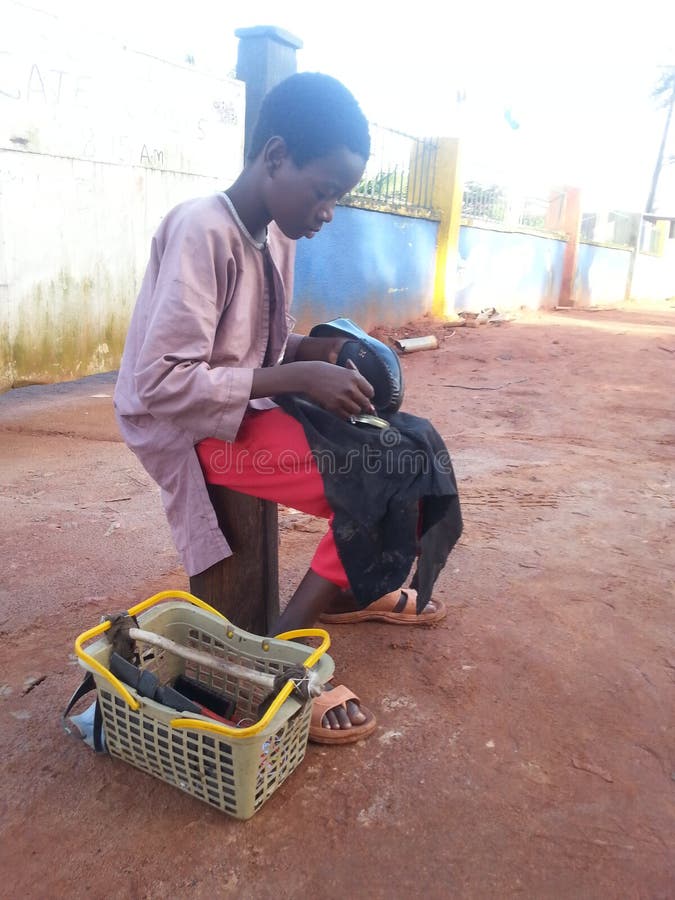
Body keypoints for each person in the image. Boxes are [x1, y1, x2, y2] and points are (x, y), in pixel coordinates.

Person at [113, 72, 455, 745]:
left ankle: (354, 589)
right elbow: (161, 382)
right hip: (191, 429)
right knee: (375, 477)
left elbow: (256, 343)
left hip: (243, 406)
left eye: (339, 196)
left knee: (414, 451)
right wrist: (294, 373)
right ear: (275, 155)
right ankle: (280, 653)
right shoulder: (200, 229)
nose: (328, 210)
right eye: (323, 190)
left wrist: (315, 349)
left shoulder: (277, 235)